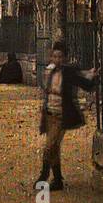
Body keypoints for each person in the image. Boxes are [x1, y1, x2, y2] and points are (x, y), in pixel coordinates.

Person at [37, 40, 97, 192]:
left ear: (64, 58)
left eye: (60, 57)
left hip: (60, 115)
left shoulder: (68, 73)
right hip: (49, 113)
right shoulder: (49, 71)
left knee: (49, 146)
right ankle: (57, 180)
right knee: (54, 147)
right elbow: (45, 90)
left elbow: (85, 84)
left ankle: (43, 176)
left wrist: (93, 76)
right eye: (54, 56)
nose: (57, 60)